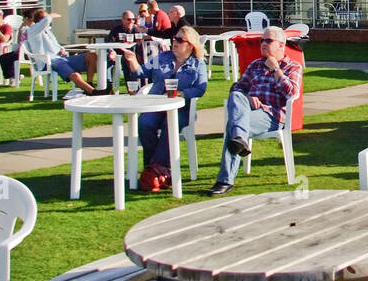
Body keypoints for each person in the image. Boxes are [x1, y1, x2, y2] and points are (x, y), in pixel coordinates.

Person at [208, 26, 303, 196]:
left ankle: (225, 180)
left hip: (272, 115)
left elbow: (291, 93)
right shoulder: (255, 65)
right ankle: (240, 138)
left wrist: (275, 69)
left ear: (281, 45)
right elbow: (236, 87)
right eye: (262, 41)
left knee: (233, 125)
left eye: (268, 41)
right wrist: (248, 95)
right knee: (237, 95)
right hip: (248, 110)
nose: (263, 44)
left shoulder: (292, 66)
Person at [122, 25, 208, 190]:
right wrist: (132, 60)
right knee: (144, 124)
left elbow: (200, 89)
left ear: (190, 44)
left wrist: (182, 93)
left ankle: (154, 169)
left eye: (180, 40)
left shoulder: (198, 65)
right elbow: (141, 73)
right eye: (174, 39)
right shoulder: (162, 58)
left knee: (170, 125)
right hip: (156, 104)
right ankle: (158, 169)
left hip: (181, 109)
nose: (175, 42)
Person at [24, 9, 103, 97]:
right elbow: (45, 21)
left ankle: (90, 83)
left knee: (91, 56)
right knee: (75, 75)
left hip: (62, 58)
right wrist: (50, 16)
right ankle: (93, 92)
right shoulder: (33, 31)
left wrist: (62, 49)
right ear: (40, 21)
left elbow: (56, 45)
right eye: (46, 18)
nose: (49, 21)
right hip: (50, 62)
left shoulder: (48, 32)